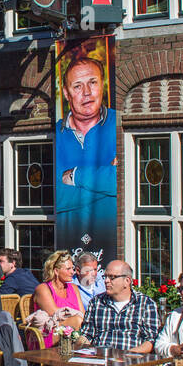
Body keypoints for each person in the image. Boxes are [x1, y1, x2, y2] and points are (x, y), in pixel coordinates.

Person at [54, 54, 117, 255]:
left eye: (92, 83)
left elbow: (126, 183)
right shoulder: (54, 134)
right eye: (78, 86)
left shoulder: (121, 125)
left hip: (113, 245)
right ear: (66, 93)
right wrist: (105, 183)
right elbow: (55, 196)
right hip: (67, 250)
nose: (87, 93)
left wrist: (76, 176)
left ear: (103, 85)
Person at [33, 250, 85, 346]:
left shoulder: (74, 288)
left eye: (72, 268)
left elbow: (83, 313)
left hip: (73, 333)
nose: (72, 272)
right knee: (78, 320)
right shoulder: (43, 289)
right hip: (49, 333)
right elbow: (57, 315)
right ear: (56, 271)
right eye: (68, 269)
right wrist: (76, 319)